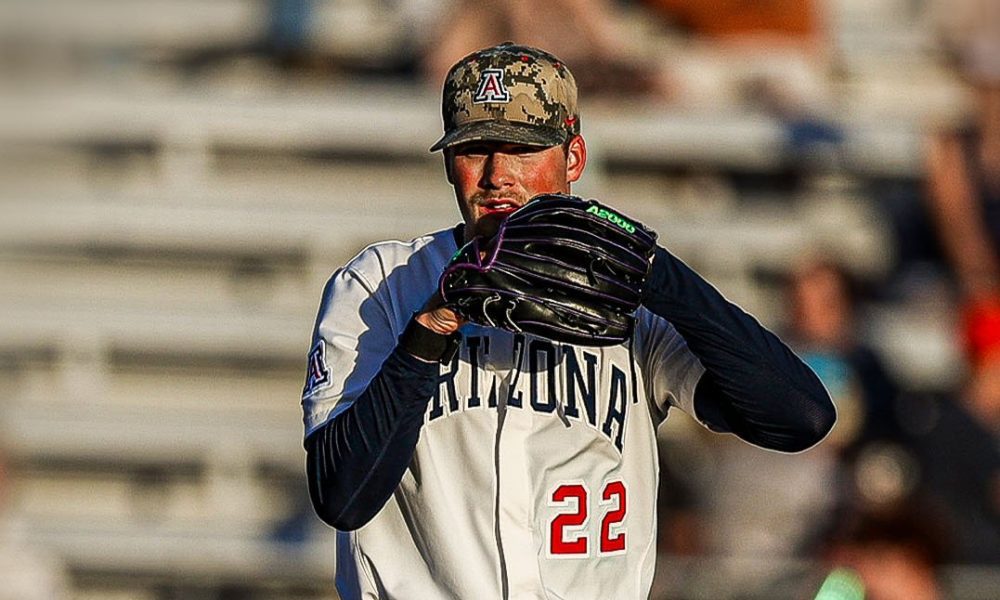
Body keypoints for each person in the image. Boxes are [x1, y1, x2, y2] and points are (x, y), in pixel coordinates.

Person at [300, 42, 836, 600]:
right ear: (448, 163)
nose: (497, 175)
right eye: (475, 148)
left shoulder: (631, 301)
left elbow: (799, 416)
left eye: (523, 148)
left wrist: (658, 272)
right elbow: (344, 496)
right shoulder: (383, 284)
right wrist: (429, 330)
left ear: (573, 157)